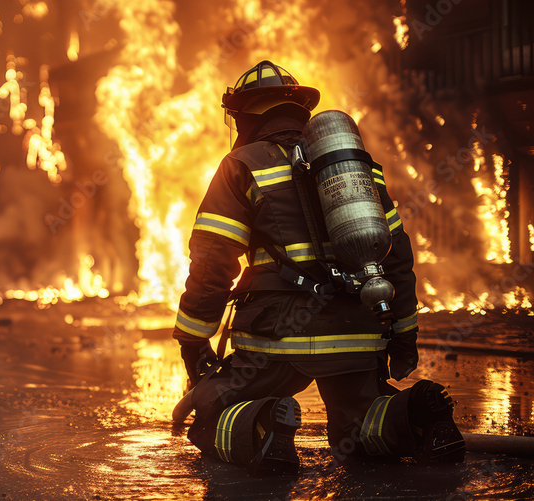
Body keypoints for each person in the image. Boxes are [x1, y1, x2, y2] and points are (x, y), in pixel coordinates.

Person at [172, 61, 465, 472]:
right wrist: (402, 333)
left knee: (212, 410)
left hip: (276, 340)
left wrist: (193, 337)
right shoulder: (357, 170)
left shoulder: (242, 164)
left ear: (243, 114)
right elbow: (396, 256)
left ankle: (265, 424)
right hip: (358, 331)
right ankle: (416, 413)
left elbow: (212, 262)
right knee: (358, 429)